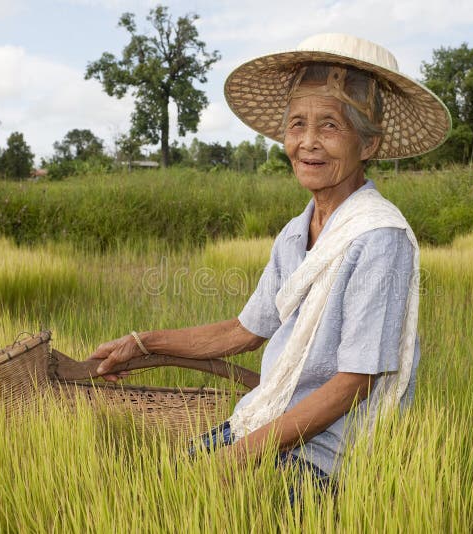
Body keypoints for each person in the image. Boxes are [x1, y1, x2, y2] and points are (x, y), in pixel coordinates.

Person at [89, 33, 451, 492]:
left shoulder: (379, 238)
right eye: (297, 125)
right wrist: (141, 343)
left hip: (327, 453)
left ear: (369, 144)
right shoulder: (295, 234)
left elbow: (353, 384)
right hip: (265, 421)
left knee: (192, 496)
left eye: (331, 126)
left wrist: (234, 460)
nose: (308, 143)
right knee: (155, 489)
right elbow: (244, 331)